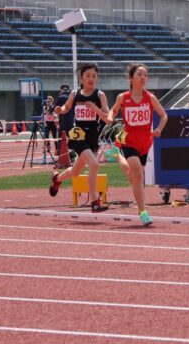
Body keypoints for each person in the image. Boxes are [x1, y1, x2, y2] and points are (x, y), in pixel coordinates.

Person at [107, 63, 168, 226]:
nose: (143, 77)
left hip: (145, 143)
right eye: (139, 74)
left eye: (145, 75)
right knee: (139, 176)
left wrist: (159, 128)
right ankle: (143, 212)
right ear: (131, 78)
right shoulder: (123, 97)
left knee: (133, 178)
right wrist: (111, 116)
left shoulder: (150, 98)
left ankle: (116, 155)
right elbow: (113, 111)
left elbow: (164, 115)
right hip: (129, 140)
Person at [48, 64, 109, 212]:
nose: (91, 79)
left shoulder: (100, 95)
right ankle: (95, 201)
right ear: (81, 78)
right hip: (78, 136)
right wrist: (59, 110)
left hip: (92, 137)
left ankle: (57, 180)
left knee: (75, 172)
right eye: (87, 75)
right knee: (94, 165)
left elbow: (108, 118)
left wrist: (94, 108)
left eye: (94, 76)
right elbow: (66, 108)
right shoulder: (75, 94)